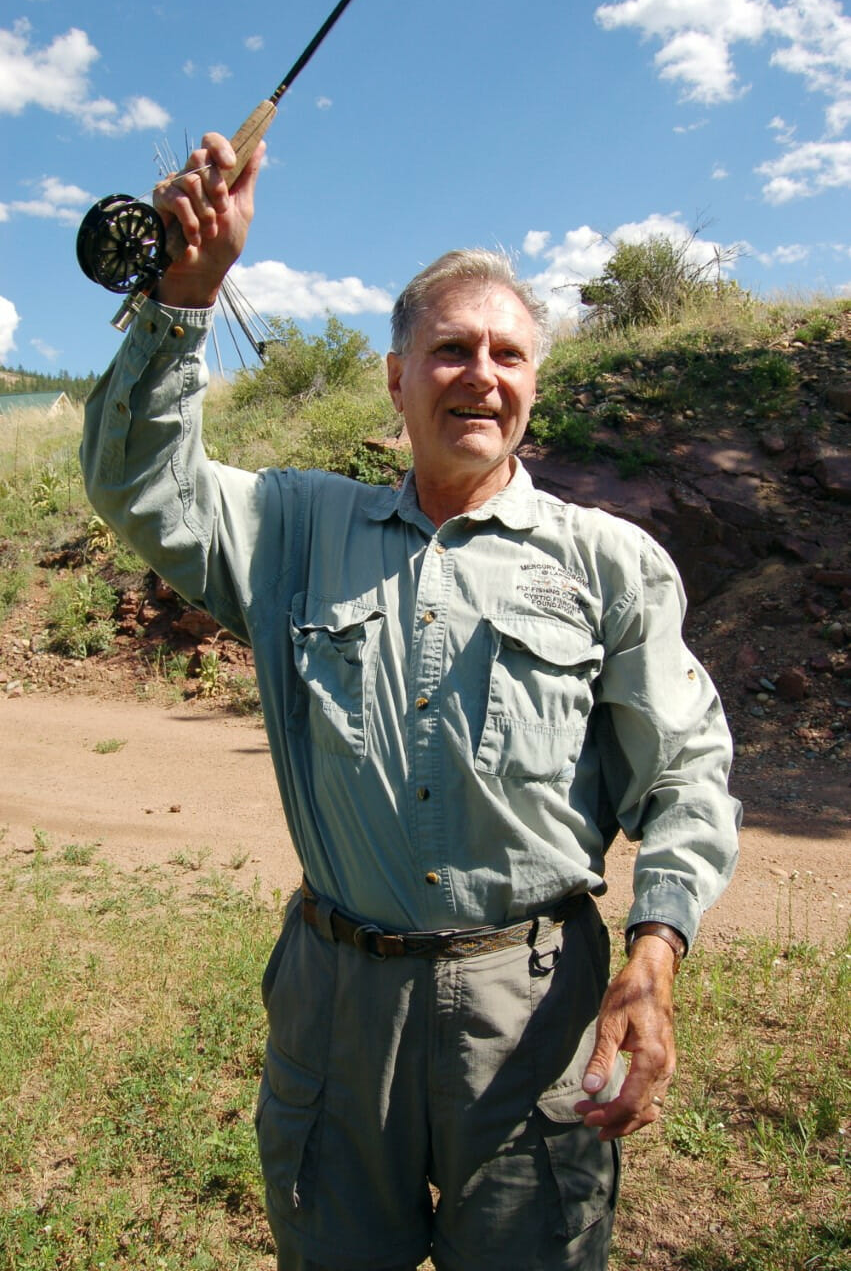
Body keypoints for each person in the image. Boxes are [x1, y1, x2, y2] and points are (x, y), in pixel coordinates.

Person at [81, 133, 740, 1271]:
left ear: (532, 382)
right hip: (339, 1008)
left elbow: (683, 770)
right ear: (394, 378)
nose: (477, 374)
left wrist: (652, 953)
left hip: (530, 1008)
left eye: (504, 354)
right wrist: (186, 293)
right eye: (446, 351)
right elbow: (139, 481)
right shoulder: (291, 528)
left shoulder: (609, 564)